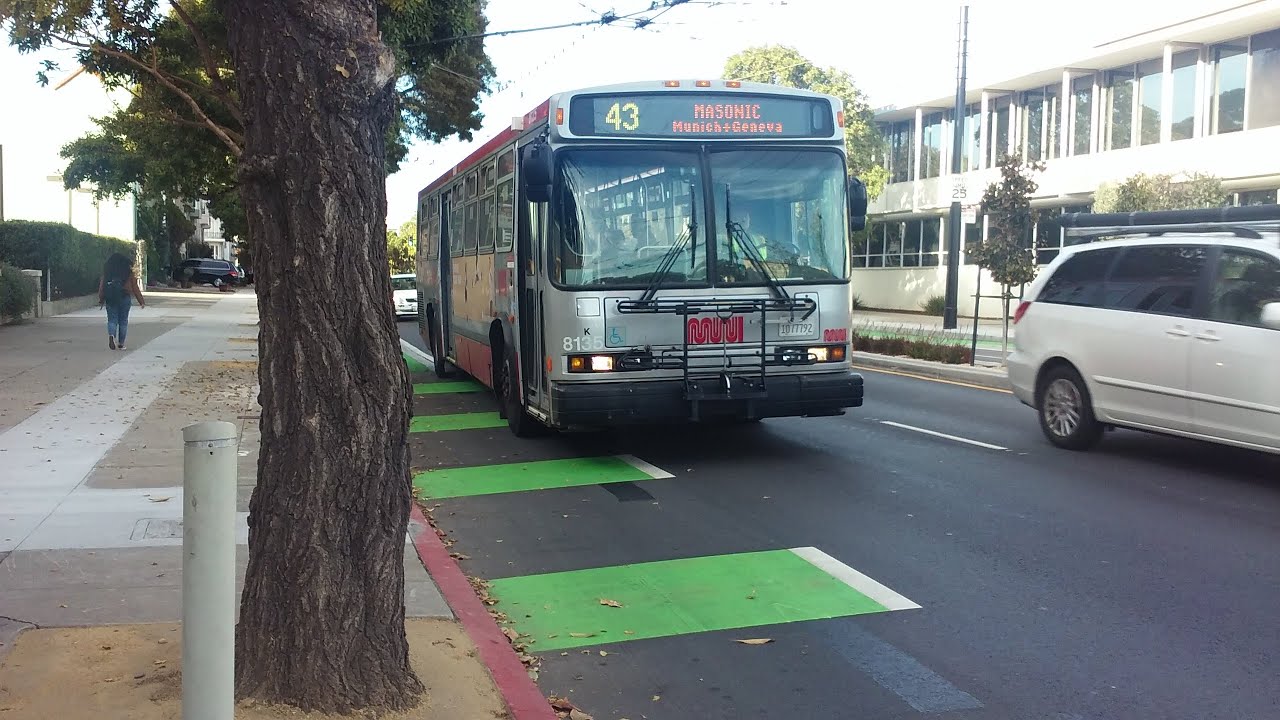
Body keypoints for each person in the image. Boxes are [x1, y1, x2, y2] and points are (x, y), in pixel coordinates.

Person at [98, 252, 146, 350]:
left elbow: (102, 287)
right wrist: (141, 301)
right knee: (123, 321)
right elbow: (135, 287)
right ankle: (121, 343)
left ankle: (112, 335)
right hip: (125, 297)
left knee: (112, 320)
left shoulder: (108, 273)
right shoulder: (128, 273)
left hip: (111, 298)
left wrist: (101, 298)